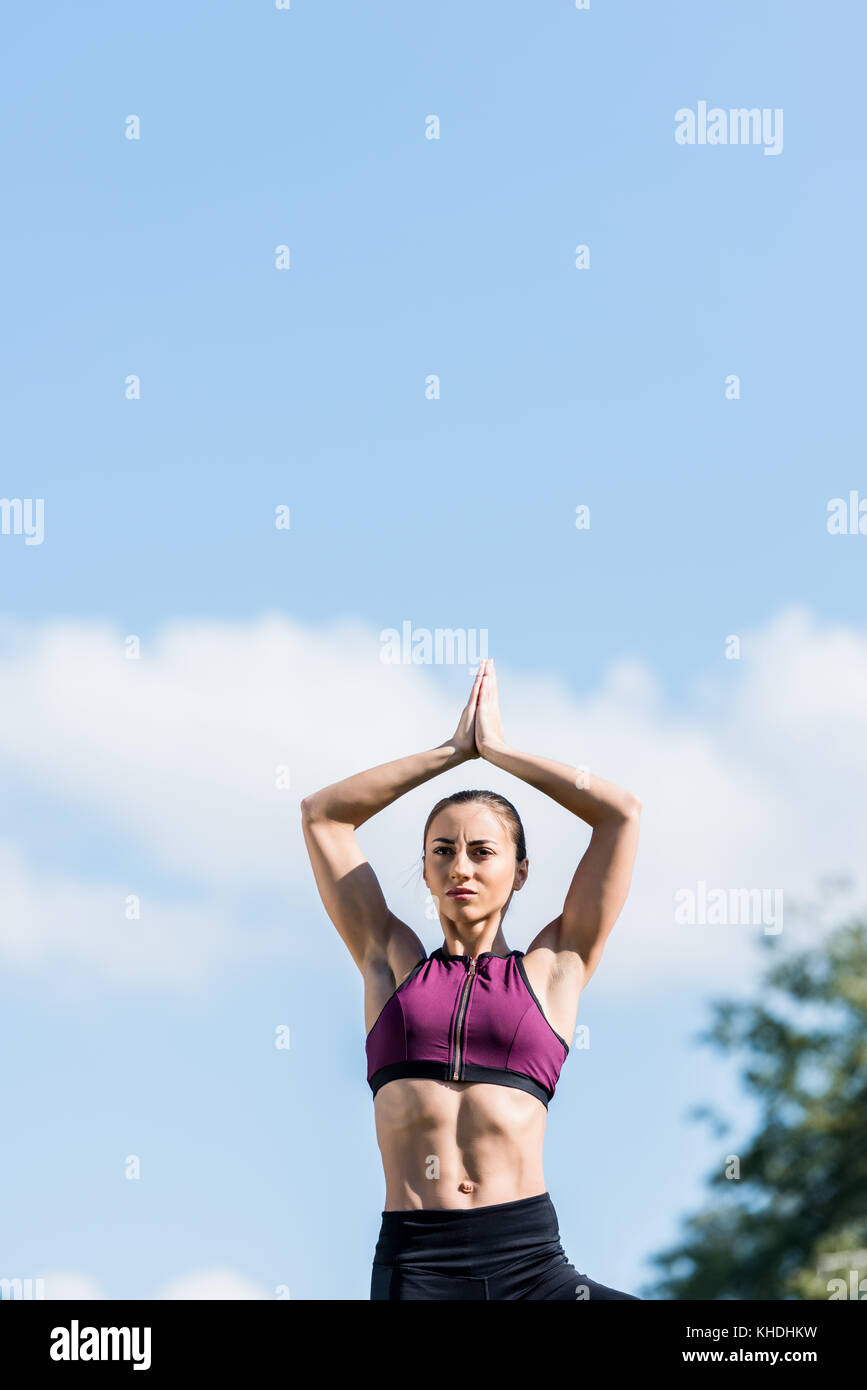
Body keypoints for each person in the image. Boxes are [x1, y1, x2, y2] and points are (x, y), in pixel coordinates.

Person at [300, 658, 642, 1300]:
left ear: (520, 871)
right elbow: (323, 815)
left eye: (484, 851)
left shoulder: (555, 967)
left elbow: (619, 812)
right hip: (418, 1264)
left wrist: (500, 754)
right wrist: (452, 754)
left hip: (530, 1264)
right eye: (442, 851)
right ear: (425, 872)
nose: (462, 866)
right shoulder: (391, 961)